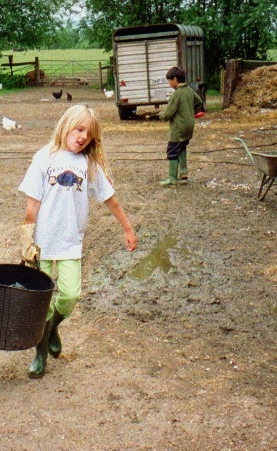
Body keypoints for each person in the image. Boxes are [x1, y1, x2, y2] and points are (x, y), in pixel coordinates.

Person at [18, 104, 138, 378]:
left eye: (90, 134)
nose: (84, 136)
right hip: (43, 243)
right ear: (66, 125)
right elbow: (32, 202)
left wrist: (128, 228)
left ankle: (53, 328)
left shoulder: (89, 164)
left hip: (71, 242)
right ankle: (40, 352)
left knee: (70, 296)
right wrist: (26, 239)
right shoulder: (44, 157)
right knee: (43, 301)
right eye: (80, 129)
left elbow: (111, 198)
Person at [158, 66, 204, 187]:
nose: (169, 83)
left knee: (172, 151)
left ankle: (172, 179)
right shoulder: (189, 90)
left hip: (178, 128)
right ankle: (183, 172)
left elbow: (168, 113)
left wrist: (160, 115)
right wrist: (191, 113)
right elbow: (199, 101)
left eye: (169, 80)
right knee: (182, 146)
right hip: (189, 126)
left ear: (175, 79)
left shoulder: (176, 94)